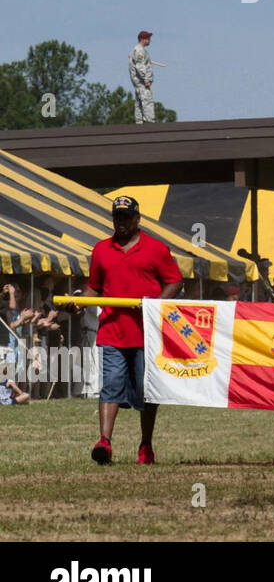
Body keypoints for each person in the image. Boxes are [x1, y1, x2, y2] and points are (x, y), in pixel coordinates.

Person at [81, 196, 183, 465]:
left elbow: (174, 281)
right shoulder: (101, 249)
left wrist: (154, 305)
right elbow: (94, 287)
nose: (122, 222)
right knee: (111, 385)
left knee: (146, 391)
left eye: (127, 217)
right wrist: (79, 301)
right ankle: (104, 442)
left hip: (146, 334)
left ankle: (146, 445)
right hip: (112, 331)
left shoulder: (157, 249)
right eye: (117, 217)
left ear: (138, 219)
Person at [128, 30, 157, 124]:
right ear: (142, 39)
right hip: (142, 82)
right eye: (148, 38)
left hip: (139, 83)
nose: (149, 40)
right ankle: (149, 122)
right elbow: (140, 66)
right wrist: (146, 80)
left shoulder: (137, 50)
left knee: (139, 102)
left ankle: (139, 123)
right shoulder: (140, 51)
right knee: (147, 100)